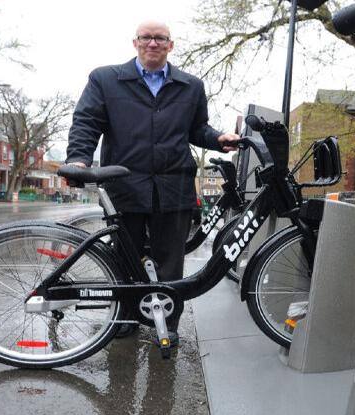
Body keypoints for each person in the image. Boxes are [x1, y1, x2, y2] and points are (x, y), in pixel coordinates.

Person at [66, 19, 241, 346]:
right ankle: (127, 318)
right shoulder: (106, 79)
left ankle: (168, 322)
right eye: (146, 38)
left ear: (170, 45)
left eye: (160, 39)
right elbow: (87, 122)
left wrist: (219, 138)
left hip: (174, 186)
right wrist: (79, 158)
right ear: (135, 43)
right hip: (125, 185)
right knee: (126, 258)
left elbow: (197, 129)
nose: (153, 43)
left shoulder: (190, 86)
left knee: (170, 261)